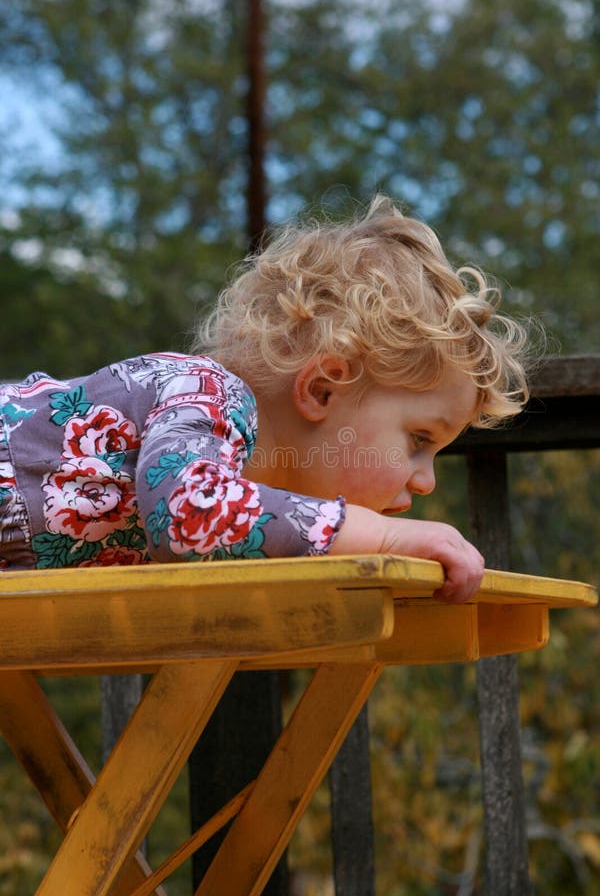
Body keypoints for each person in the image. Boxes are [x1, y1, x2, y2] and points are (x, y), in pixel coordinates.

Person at [0, 196, 531, 602]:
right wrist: (386, 537)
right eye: (418, 439)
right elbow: (187, 517)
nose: (426, 479)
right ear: (323, 388)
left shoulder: (242, 486)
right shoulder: (208, 394)